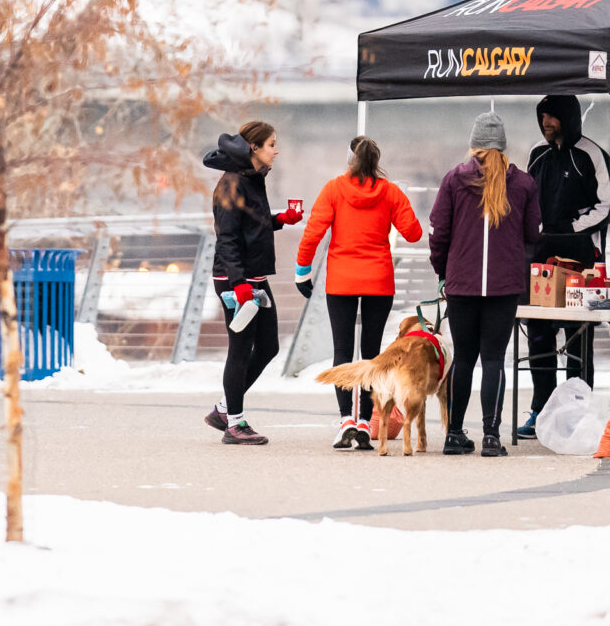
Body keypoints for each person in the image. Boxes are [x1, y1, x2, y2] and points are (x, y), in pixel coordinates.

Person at [294, 136, 424, 450]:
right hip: (379, 280)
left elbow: (313, 232)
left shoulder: (334, 189)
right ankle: (366, 422)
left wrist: (303, 271)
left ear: (350, 161)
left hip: (341, 281)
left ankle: (345, 421)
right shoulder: (390, 192)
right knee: (371, 355)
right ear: (376, 162)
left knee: (342, 352)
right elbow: (414, 232)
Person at [429, 112, 540, 457]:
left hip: (461, 284)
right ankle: (491, 436)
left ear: (473, 145)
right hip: (504, 286)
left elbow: (438, 232)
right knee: (494, 359)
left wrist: (442, 271)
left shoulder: (453, 180)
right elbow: (533, 233)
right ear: (503, 147)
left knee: (463, 359)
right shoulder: (522, 184)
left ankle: (454, 434)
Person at [202, 121, 303, 445]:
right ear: (254, 148)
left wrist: (280, 220)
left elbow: (252, 226)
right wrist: (238, 284)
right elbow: (227, 239)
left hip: (254, 278)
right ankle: (234, 423)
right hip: (237, 280)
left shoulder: (252, 178)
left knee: (269, 346)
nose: (277, 150)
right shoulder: (231, 183)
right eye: (272, 144)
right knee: (241, 350)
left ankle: (223, 410)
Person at [518, 94, 610, 438]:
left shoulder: (592, 154)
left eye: (552, 118)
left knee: (578, 339)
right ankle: (540, 410)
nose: (546, 124)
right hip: (540, 261)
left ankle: (577, 412)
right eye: (542, 117)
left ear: (568, 119)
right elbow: (525, 200)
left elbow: (606, 206)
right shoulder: (536, 154)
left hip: (581, 262)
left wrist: (568, 228)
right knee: (539, 337)